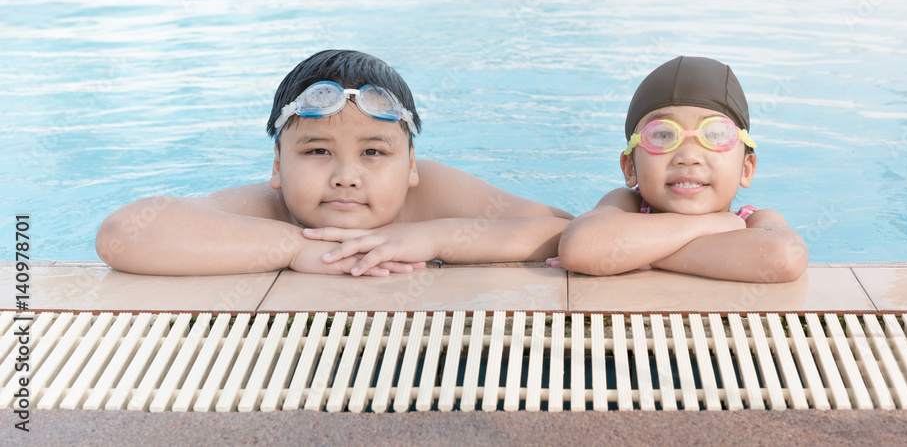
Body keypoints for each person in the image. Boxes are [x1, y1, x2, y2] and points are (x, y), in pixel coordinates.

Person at [97, 50, 571, 277]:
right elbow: (123, 233)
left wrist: (438, 235)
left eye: (373, 152)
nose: (346, 177)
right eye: (317, 151)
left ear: (410, 166)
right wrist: (292, 248)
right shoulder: (268, 210)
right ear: (278, 167)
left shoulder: (430, 194)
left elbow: (565, 232)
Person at [554, 56, 807, 282]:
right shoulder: (625, 203)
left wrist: (643, 254)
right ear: (630, 167)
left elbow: (786, 256)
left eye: (715, 134)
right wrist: (709, 224)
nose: (688, 157)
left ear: (746, 169)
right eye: (663, 134)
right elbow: (579, 247)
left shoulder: (753, 221)